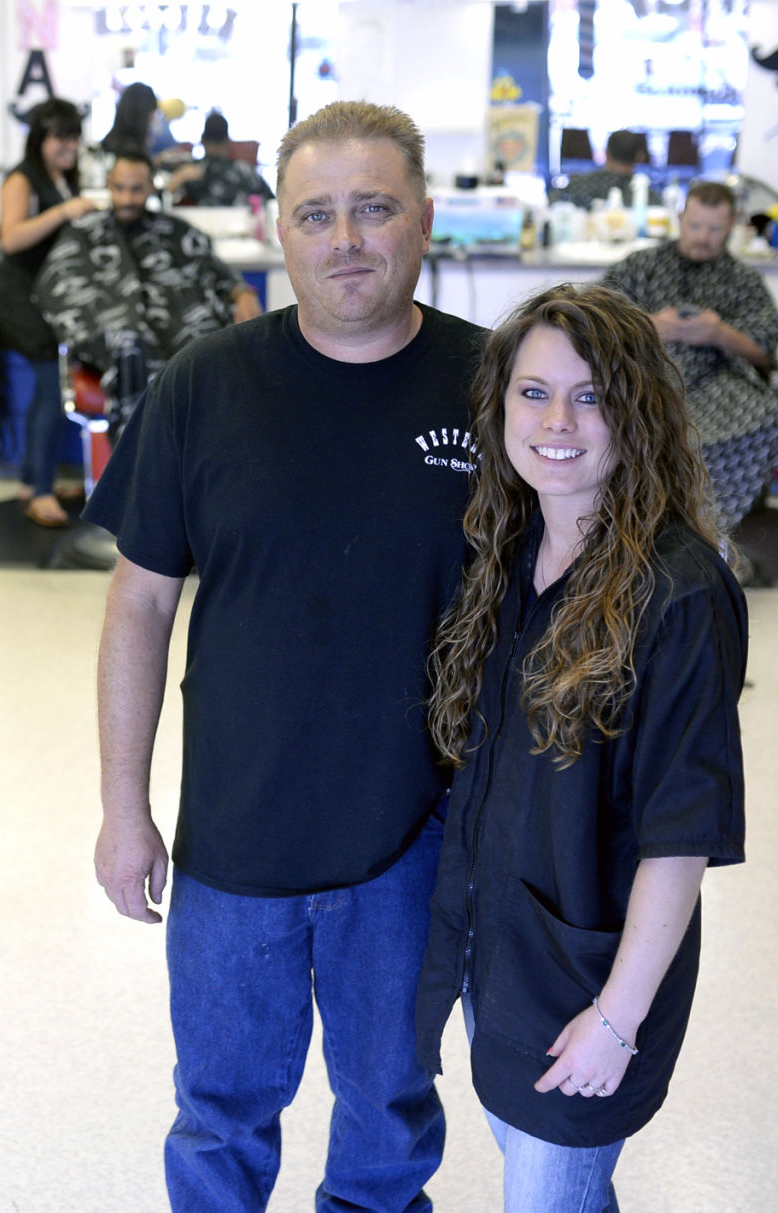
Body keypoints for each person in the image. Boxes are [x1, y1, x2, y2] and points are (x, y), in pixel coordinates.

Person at [83, 100, 485, 1211]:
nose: (345, 238)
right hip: (233, 841)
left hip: (413, 838)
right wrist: (125, 809)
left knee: (390, 1110)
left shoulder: (493, 385)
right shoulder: (204, 384)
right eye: (316, 213)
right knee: (218, 1113)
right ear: (276, 228)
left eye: (373, 208)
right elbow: (138, 606)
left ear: (422, 218)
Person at [417, 283, 746, 1209]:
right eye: (534, 392)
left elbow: (682, 836)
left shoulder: (678, 593)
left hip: (588, 983)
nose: (557, 420)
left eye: (591, 395)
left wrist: (617, 1019)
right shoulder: (512, 551)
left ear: (634, 410)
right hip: (504, 952)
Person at [601, 179, 778, 531]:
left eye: (715, 229)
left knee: (758, 420)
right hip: (648, 378)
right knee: (639, 423)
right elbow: (595, 323)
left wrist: (719, 334)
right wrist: (649, 325)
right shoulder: (640, 267)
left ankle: (706, 533)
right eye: (695, 226)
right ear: (680, 217)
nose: (703, 237)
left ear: (732, 224)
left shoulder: (743, 280)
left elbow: (764, 351)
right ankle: (629, 530)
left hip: (717, 385)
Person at [34, 150, 261, 385]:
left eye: (136, 189)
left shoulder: (175, 232)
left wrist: (241, 292)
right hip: (120, 347)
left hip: (184, 339)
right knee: (129, 349)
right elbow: (55, 286)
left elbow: (215, 270)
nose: (126, 199)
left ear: (151, 187)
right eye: (119, 188)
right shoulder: (84, 234)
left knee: (211, 350)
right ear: (108, 186)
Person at [0, 97, 97, 528]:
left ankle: (33, 481)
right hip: (25, 299)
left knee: (47, 394)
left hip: (51, 299)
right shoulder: (21, 180)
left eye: (72, 137)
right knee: (50, 395)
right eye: (59, 137)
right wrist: (64, 211)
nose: (67, 145)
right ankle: (39, 493)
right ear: (40, 138)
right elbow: (11, 238)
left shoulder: (63, 176)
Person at [167, 109, 274, 208]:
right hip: (239, 225)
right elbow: (271, 202)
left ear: (202, 140)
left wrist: (177, 179)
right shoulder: (245, 171)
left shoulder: (189, 170)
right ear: (228, 141)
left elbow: (162, 201)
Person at [550, 129, 644, 208]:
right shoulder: (644, 194)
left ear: (607, 154)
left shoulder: (580, 185)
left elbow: (552, 200)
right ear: (639, 157)